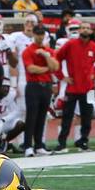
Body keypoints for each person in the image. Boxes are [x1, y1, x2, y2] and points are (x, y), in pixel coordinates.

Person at [54, 17, 95, 151]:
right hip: (72, 87)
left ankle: (83, 141)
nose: (85, 30)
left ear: (91, 31)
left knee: (87, 117)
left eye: (88, 28)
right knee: (67, 116)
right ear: (79, 30)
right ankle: (62, 143)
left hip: (88, 88)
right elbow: (56, 58)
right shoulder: (70, 45)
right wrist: (62, 77)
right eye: (83, 28)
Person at [20, 24, 56, 156]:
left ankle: (39, 145)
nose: (40, 36)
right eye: (38, 34)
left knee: (42, 116)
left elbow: (55, 66)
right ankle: (28, 145)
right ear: (34, 34)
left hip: (46, 85)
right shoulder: (28, 51)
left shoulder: (48, 50)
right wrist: (47, 68)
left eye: (42, 34)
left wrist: (46, 56)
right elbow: (31, 69)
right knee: (31, 116)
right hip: (33, 85)